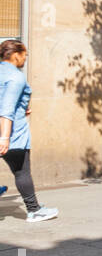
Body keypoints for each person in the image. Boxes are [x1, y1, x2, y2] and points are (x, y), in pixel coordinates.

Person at [0, 40, 58, 222]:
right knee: (22, 171)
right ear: (15, 55)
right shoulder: (16, 77)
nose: (25, 58)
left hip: (7, 125)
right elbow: (7, 109)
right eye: (24, 54)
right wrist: (5, 137)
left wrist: (22, 107)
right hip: (13, 131)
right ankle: (34, 210)